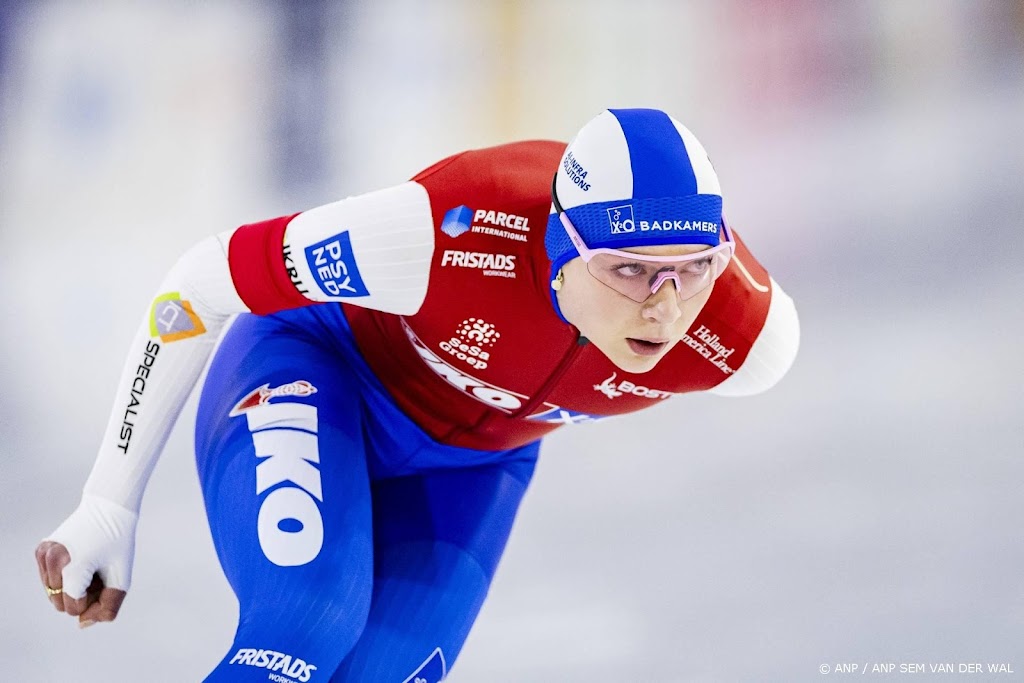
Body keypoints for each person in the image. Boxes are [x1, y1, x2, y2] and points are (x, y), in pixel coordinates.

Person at [35, 108, 800, 682]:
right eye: (627, 270)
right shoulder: (446, 232)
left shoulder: (745, 337)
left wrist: (680, 276)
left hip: (471, 462)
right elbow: (197, 287)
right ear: (563, 247)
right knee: (304, 628)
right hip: (315, 366)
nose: (663, 306)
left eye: (693, 268)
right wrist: (111, 500)